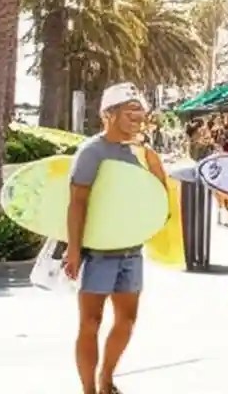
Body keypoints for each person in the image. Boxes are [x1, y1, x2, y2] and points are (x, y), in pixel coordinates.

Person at [64, 83, 168, 394]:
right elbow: (77, 201)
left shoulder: (138, 152)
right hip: (97, 252)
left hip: (131, 251)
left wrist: (154, 164)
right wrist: (73, 248)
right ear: (109, 114)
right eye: (130, 112)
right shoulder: (92, 151)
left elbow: (157, 200)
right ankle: (89, 390)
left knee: (127, 321)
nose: (138, 118)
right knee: (90, 323)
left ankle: (106, 378)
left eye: (141, 112)